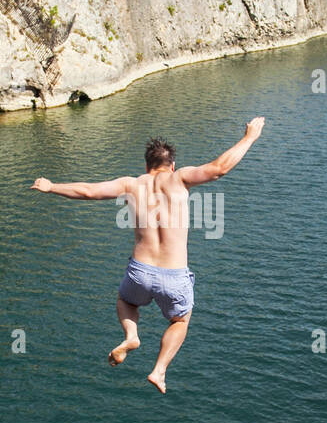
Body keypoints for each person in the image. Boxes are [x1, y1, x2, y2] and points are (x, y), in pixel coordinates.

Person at [31, 117, 265, 392]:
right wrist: (250, 137)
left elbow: (89, 191)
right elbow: (219, 169)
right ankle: (159, 370)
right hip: (174, 274)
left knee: (125, 301)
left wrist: (51, 186)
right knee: (180, 320)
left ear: (146, 166)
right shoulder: (180, 179)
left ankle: (131, 336)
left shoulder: (132, 184)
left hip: (139, 272)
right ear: (172, 165)